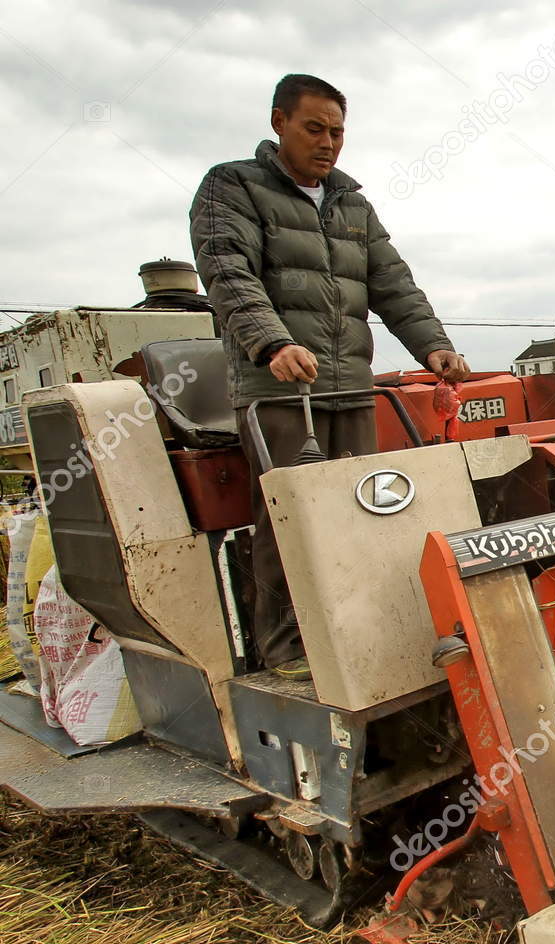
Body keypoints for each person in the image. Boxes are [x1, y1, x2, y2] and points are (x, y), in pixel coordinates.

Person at [190, 73, 470, 680]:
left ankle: (362, 635)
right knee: (293, 518)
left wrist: (435, 347)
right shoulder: (231, 187)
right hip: (278, 391)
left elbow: (394, 286)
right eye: (314, 128)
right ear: (278, 122)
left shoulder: (352, 205)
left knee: (366, 511)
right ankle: (288, 652)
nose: (328, 142)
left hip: (349, 389)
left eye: (337, 132)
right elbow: (228, 272)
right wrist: (271, 343)